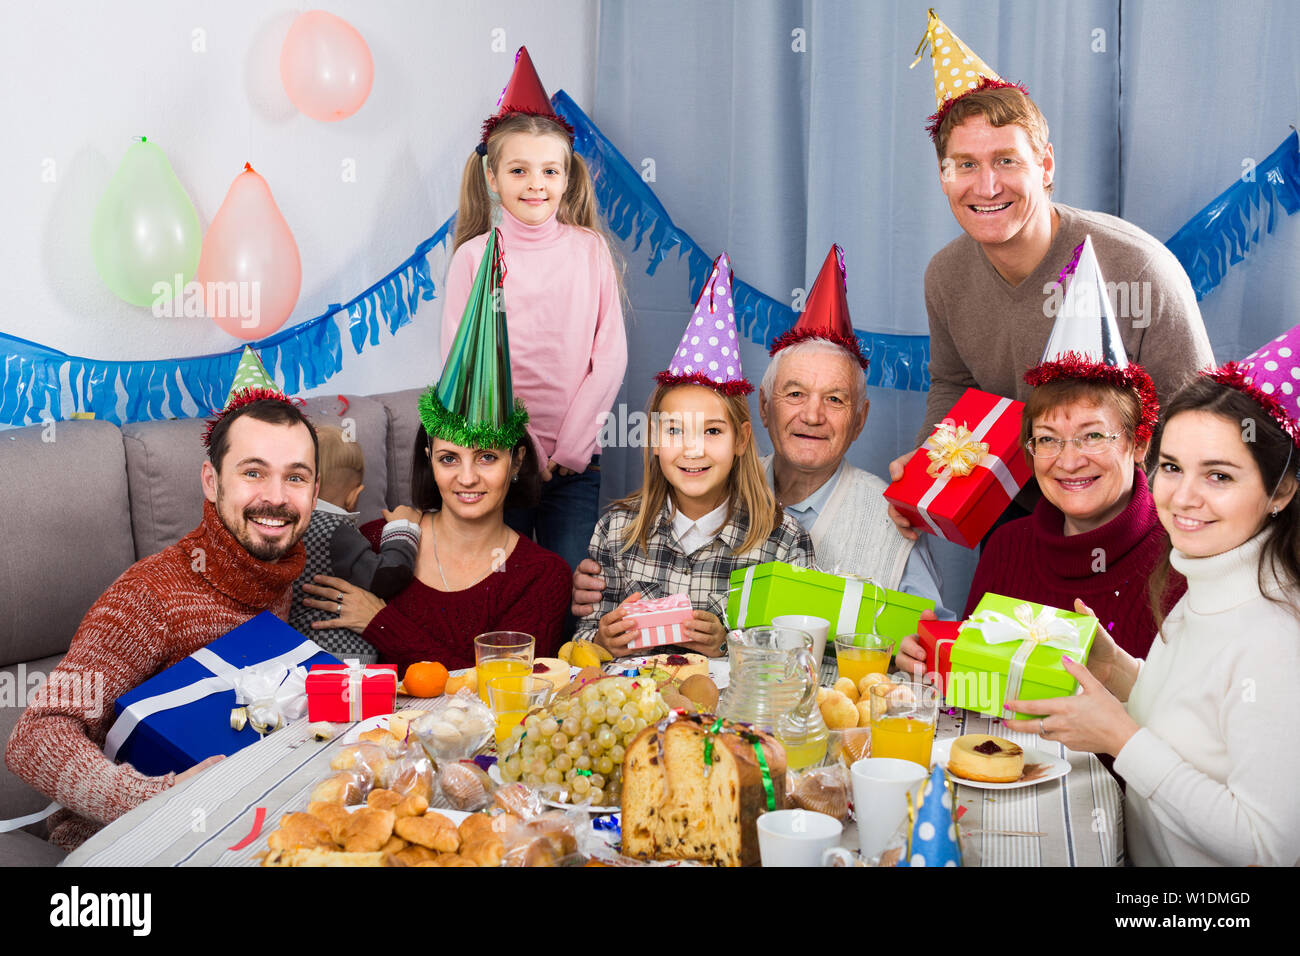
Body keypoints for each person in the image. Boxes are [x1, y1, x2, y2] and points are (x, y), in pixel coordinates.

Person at [889, 11, 1214, 536]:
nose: (987, 186)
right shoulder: (945, 276)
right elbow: (955, 383)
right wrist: (933, 469)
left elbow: (1198, 424)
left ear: (1045, 166)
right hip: (1016, 516)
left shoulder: (1139, 268)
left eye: (1007, 161)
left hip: (1141, 521)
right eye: (966, 164)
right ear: (943, 177)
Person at [1001, 323, 1300, 866]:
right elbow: (1199, 729)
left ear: (1279, 490)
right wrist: (1119, 671)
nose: (1183, 497)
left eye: (1219, 476)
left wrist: (1121, 738)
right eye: (1173, 467)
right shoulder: (1205, 581)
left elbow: (1268, 849)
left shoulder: (1278, 640)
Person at [5, 390, 318, 851]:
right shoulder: (151, 596)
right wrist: (160, 798)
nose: (276, 497)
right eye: (253, 472)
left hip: (247, 819)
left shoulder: (273, 573)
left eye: (295, 477)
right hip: (131, 840)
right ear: (211, 482)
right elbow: (35, 736)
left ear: (315, 492)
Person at [573, 246, 947, 619]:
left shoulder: (889, 518)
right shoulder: (709, 483)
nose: (812, 415)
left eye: (835, 399)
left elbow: (930, 631)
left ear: (860, 420)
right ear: (765, 407)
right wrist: (601, 590)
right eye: (795, 394)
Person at [897, 237, 1184, 671]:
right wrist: (935, 660)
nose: (1068, 461)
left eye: (1092, 436)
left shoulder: (1183, 562)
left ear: (1138, 443)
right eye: (1048, 439)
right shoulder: (1006, 548)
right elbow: (979, 688)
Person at [303, 227, 570, 678]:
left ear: (518, 461)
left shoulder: (542, 576)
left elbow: (503, 688)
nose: (467, 478)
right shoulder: (372, 543)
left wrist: (380, 622)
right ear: (429, 457)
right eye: (449, 458)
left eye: (487, 457)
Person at [440, 46, 626, 572]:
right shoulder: (474, 258)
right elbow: (464, 367)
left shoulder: (589, 250)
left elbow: (610, 357)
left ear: (567, 177)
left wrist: (568, 449)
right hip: (498, 462)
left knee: (567, 582)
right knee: (501, 583)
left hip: (575, 463)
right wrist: (522, 449)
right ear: (492, 176)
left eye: (549, 170)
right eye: (519, 170)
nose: (536, 184)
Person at [576, 253, 812, 658]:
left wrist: (727, 645)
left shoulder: (783, 541)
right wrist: (601, 641)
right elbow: (583, 642)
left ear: (741, 440)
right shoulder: (615, 532)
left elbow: (798, 656)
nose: (693, 449)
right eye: (674, 430)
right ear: (653, 438)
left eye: (712, 431)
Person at [288, 424, 422, 662]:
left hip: (296, 646)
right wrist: (402, 528)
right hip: (341, 652)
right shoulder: (335, 531)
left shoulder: (286, 527)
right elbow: (386, 576)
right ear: (354, 496)